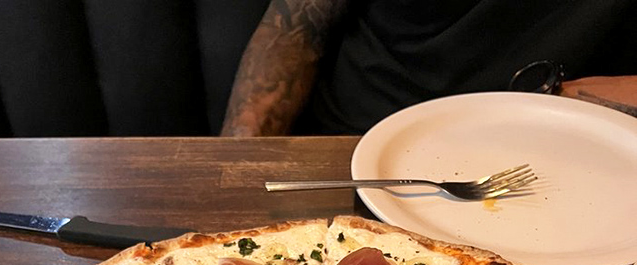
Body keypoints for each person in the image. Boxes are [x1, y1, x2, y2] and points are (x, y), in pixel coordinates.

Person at [221, 0, 637, 136]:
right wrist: (238, 161)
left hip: (563, 150)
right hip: (349, 143)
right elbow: (299, 24)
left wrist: (561, 100)